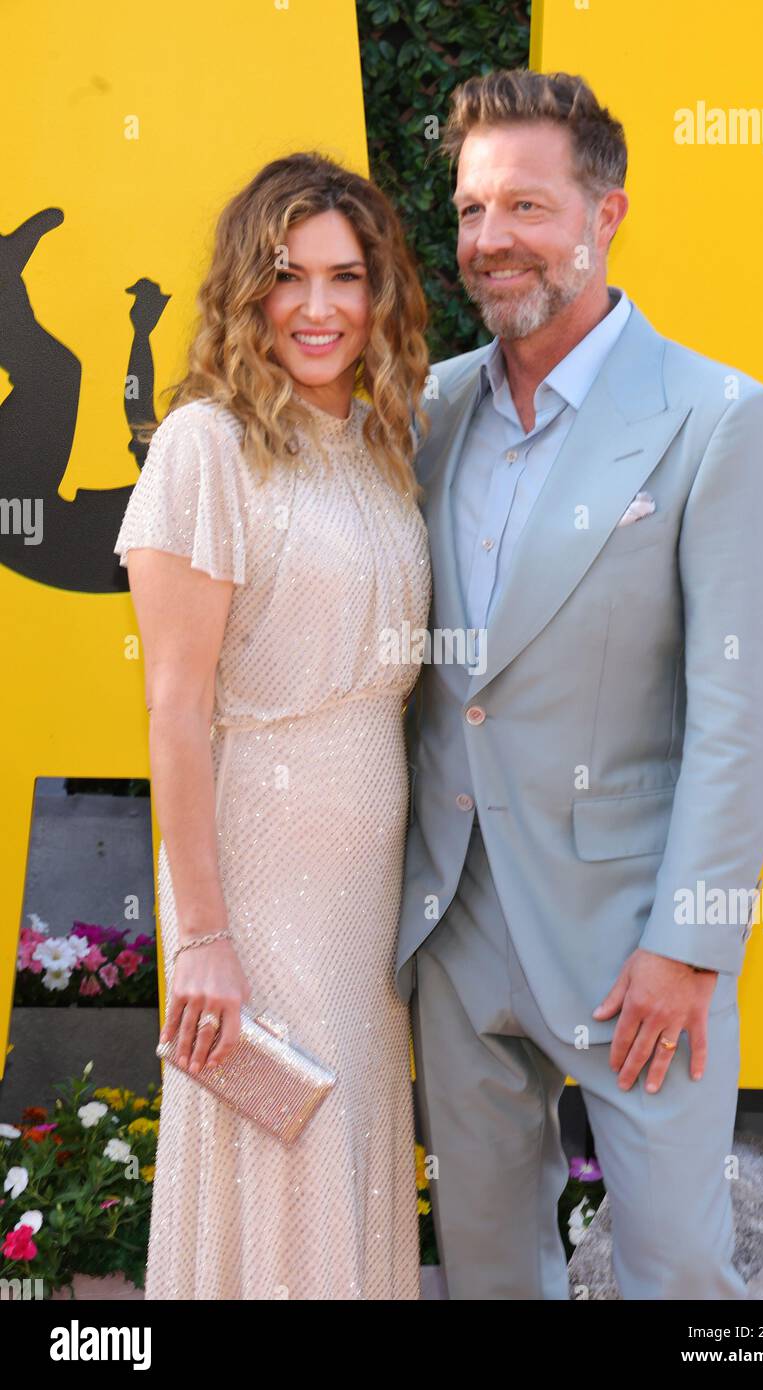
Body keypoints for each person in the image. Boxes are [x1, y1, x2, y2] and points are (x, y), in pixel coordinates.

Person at [396, 68, 763, 1300]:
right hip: (456, 927)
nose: (487, 241)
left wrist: (691, 941)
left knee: (678, 1272)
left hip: (637, 941)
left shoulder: (718, 418)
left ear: (603, 214)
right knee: (482, 1272)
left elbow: (744, 708)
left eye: (524, 207)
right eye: (470, 211)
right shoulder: (428, 408)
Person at [114, 152, 431, 1299]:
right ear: (245, 292)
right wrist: (201, 935)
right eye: (285, 277)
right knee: (278, 1137)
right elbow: (176, 709)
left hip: (366, 890)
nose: (315, 307)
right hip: (254, 871)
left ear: (378, 291)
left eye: (344, 278)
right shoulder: (207, 447)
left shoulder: (389, 445)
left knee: (344, 1141)